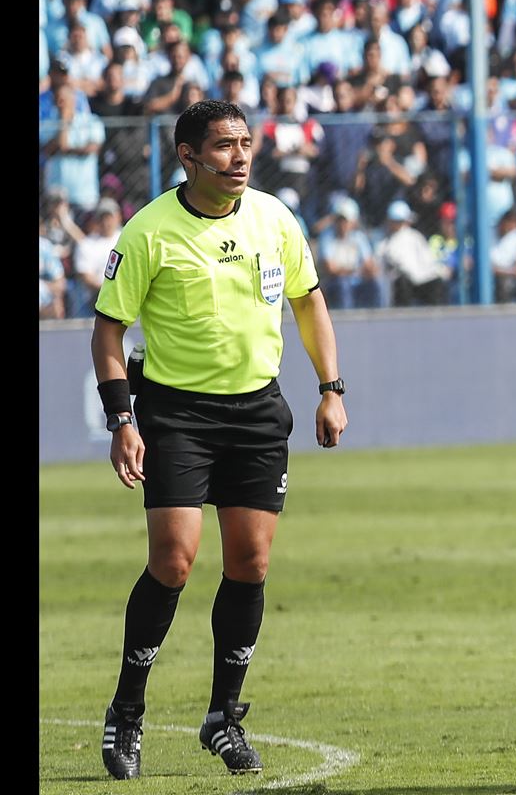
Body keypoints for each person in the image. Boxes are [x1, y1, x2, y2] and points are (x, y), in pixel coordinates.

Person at [91, 101, 347, 780]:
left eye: (245, 144)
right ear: (188, 156)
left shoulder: (274, 219)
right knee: (174, 561)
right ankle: (128, 712)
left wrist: (331, 387)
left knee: (251, 563)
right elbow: (109, 330)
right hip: (177, 414)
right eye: (224, 146)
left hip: (259, 413)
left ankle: (223, 719)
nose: (239, 157)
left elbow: (308, 299)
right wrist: (123, 421)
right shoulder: (150, 232)